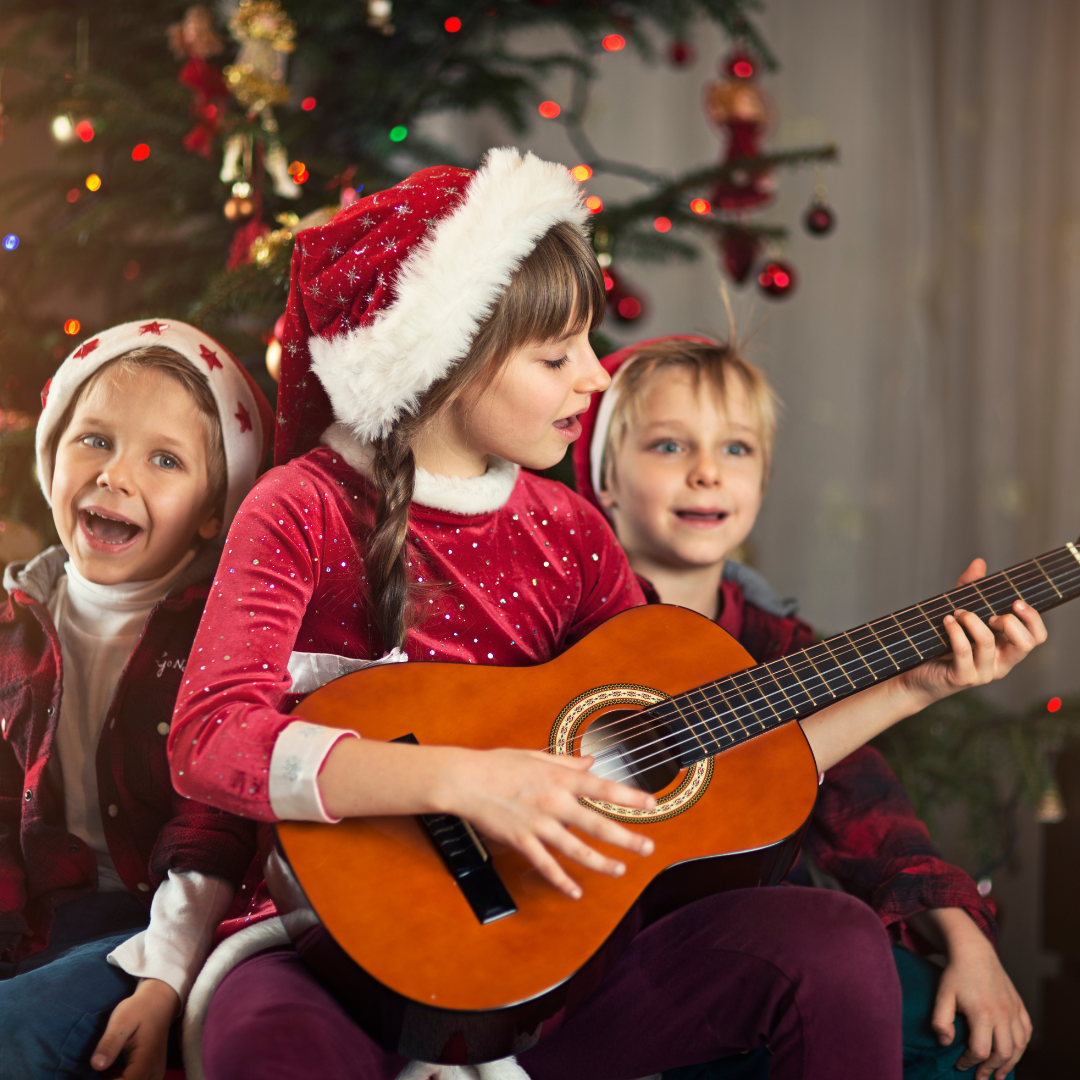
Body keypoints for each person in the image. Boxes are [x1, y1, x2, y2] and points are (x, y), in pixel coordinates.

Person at [168, 148, 1045, 1080]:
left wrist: (914, 685)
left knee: (829, 940)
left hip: (554, 978)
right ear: (445, 359)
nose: (593, 380)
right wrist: (465, 784)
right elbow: (211, 735)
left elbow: (717, 770)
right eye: (556, 357)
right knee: (262, 1047)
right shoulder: (300, 506)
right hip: (327, 957)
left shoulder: (572, 534)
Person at [572, 334, 1032, 1080]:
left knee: (958, 1034)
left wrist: (966, 938)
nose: (706, 473)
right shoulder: (571, 624)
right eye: (667, 446)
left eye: (737, 449)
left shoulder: (783, 645)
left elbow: (867, 809)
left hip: (768, 943)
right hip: (610, 954)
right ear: (606, 478)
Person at [0, 320, 273, 1079]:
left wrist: (166, 976)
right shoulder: (17, 617)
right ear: (50, 456)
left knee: (13, 1035)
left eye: (163, 459)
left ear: (215, 510)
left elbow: (213, 825)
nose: (115, 475)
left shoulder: (218, 641)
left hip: (153, 925)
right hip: (35, 909)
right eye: (93, 440)